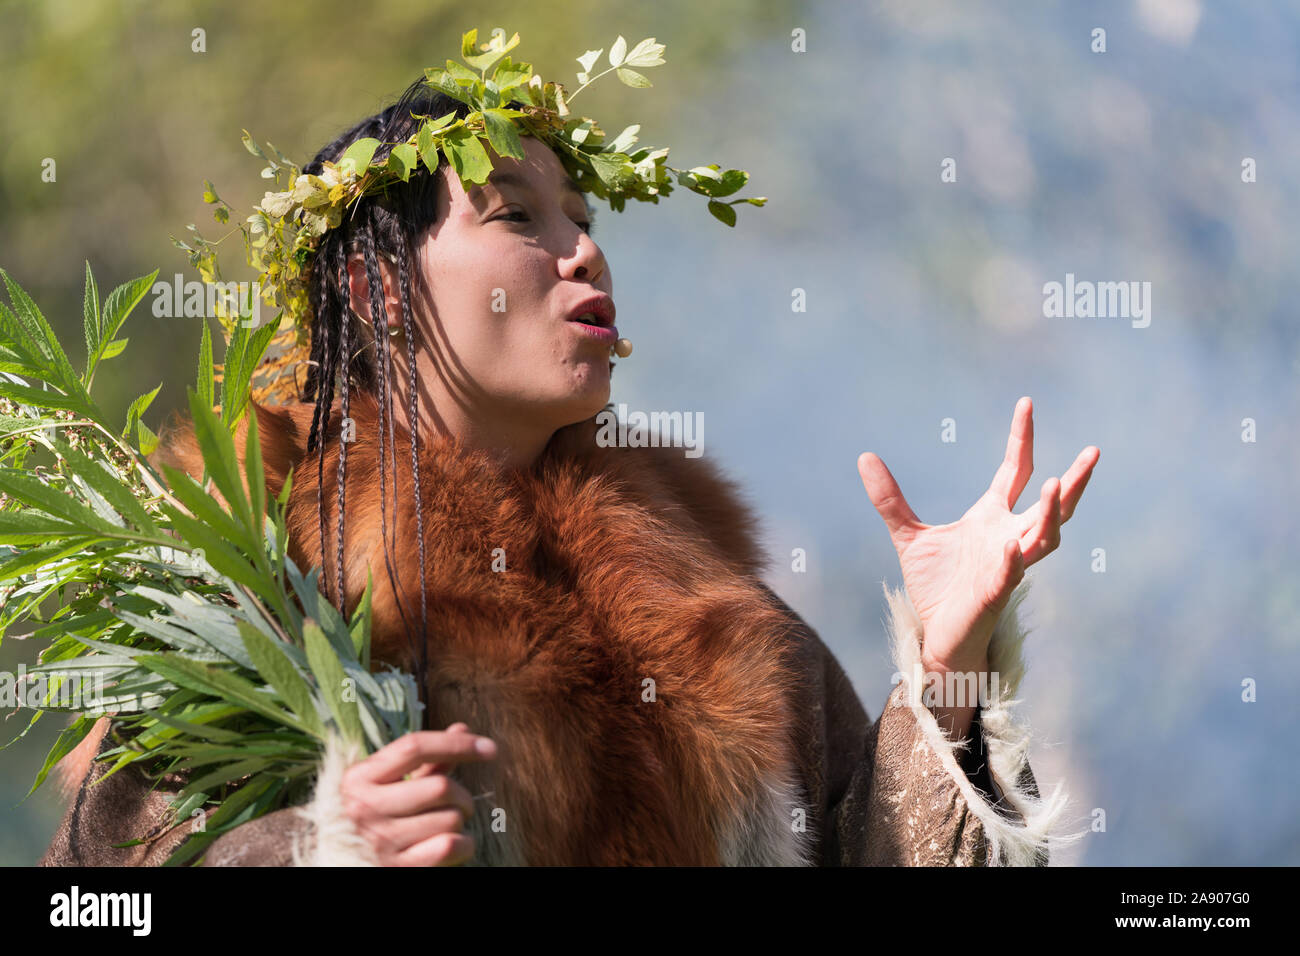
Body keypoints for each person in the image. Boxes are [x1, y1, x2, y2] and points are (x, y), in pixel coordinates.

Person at [41, 74, 1098, 867]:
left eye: (585, 223)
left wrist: (950, 675)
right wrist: (317, 844)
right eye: (515, 214)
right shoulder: (253, 577)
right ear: (372, 288)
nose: (582, 251)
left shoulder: (710, 602)